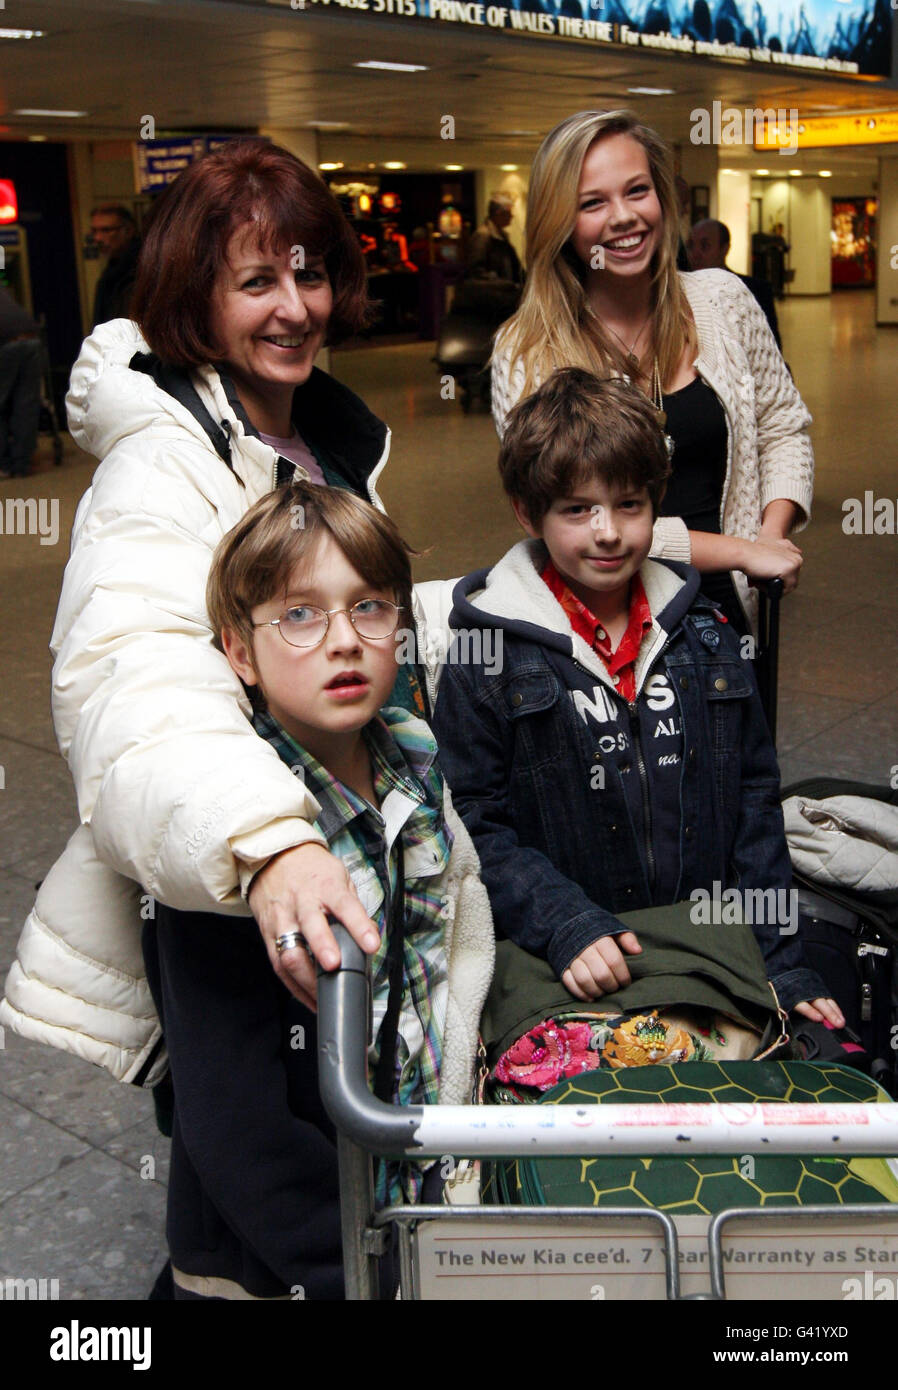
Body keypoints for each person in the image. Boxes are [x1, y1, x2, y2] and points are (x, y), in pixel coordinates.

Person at [0, 138, 454, 1107]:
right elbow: (134, 686)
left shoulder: (319, 438)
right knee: (261, 1196)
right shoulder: (158, 464)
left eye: (310, 273)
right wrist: (266, 842)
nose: (294, 308)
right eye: (255, 281)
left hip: (338, 862)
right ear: (197, 298)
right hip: (236, 897)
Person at [144, 482, 492, 1298]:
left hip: (409, 1191)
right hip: (285, 1257)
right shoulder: (234, 844)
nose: (344, 642)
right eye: (298, 615)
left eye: (369, 607)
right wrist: (352, 1276)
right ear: (238, 652)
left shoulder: (413, 761)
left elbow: (454, 943)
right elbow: (234, 1124)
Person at [433, 369, 842, 1056]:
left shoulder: (709, 637)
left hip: (707, 955)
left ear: (657, 504)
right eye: (576, 510)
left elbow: (752, 801)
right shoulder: (487, 655)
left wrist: (782, 962)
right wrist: (560, 920)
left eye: (629, 505)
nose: (608, 533)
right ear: (527, 514)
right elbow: (469, 820)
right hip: (567, 971)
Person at [490, 109, 811, 638]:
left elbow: (783, 427)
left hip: (739, 605)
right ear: (559, 222)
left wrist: (771, 538)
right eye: (592, 202)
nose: (623, 217)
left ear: (662, 197)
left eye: (637, 191)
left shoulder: (725, 300)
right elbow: (567, 519)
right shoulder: (527, 350)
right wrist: (741, 551)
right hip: (612, 624)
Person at [687, 217, 781, 351]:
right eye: (690, 245)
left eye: (705, 246)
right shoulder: (679, 293)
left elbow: (771, 350)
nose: (695, 254)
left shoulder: (756, 291)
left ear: (724, 249)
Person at [0, 285, 41, 479]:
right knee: (26, 403)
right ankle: (22, 464)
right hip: (31, 338)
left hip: (5, 343)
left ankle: (4, 464)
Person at [90, 203, 141, 327]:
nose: (97, 238)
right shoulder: (112, 270)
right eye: (94, 231)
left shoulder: (142, 268)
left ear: (128, 231)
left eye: (106, 230)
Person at [465, 194, 523, 286]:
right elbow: (476, 271)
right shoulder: (483, 236)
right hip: (491, 295)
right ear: (499, 214)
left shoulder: (501, 235)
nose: (511, 216)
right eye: (508, 213)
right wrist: (502, 284)